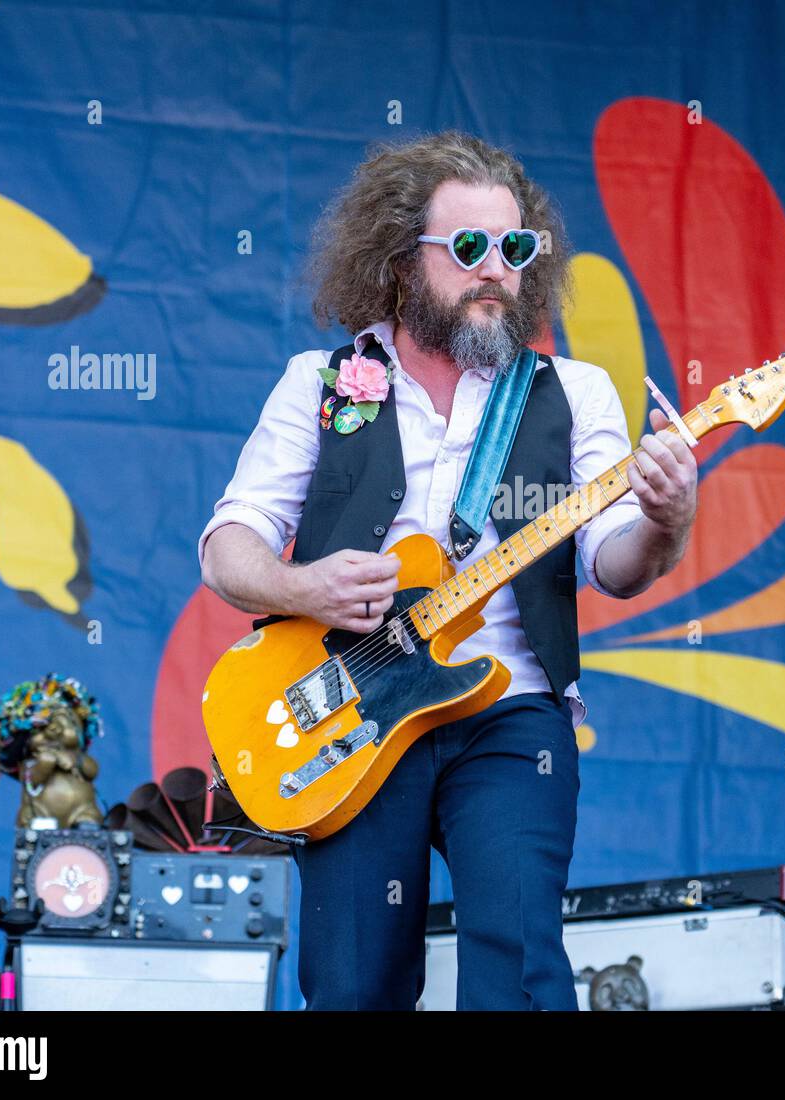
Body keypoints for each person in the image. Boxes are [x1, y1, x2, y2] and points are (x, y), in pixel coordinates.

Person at [198, 131, 699, 1010]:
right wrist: (301, 588)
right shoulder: (319, 381)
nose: (496, 269)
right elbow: (229, 543)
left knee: (518, 967)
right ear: (400, 260)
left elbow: (615, 566)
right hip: (353, 711)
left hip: (508, 713)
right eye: (468, 248)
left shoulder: (571, 392)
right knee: (354, 984)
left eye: (517, 249)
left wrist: (666, 520)